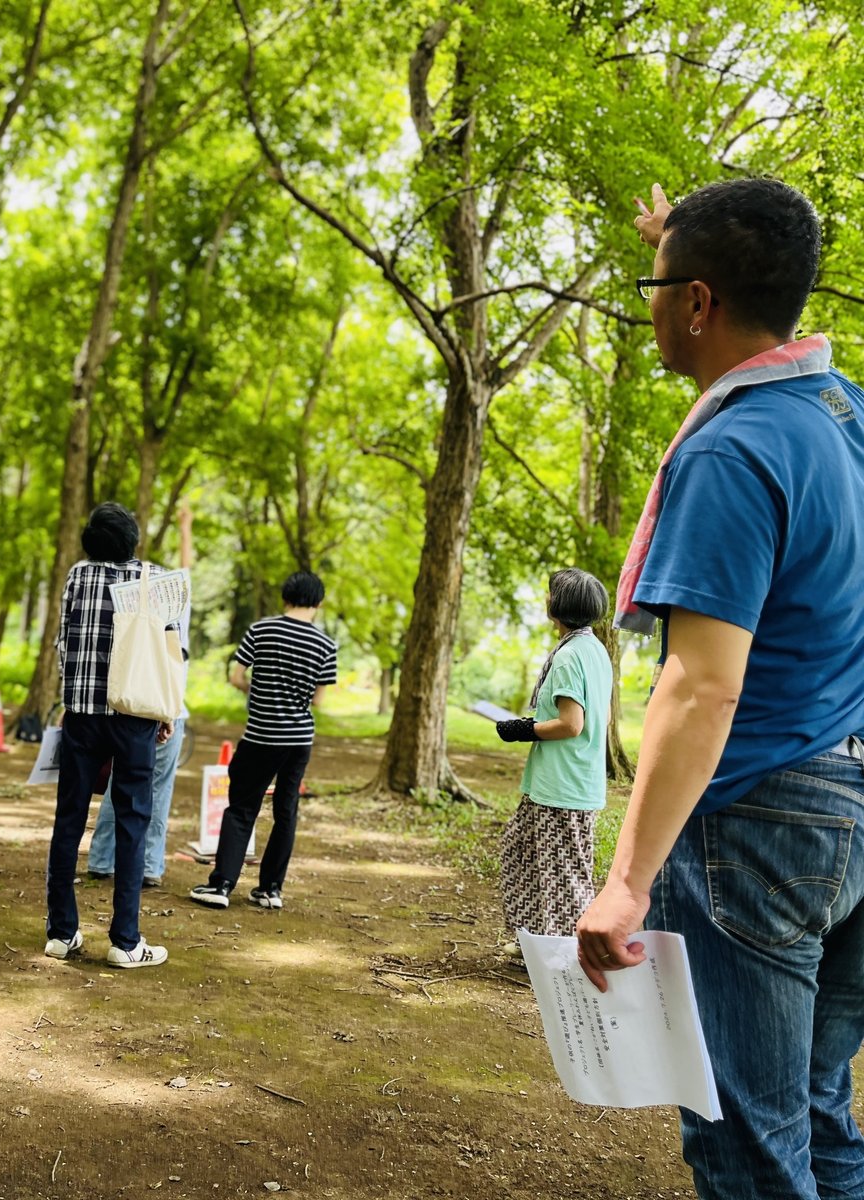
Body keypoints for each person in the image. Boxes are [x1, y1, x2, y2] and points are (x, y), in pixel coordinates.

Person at [576, 178, 864, 1200]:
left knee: (746, 1144)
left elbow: (702, 686)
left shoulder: (733, 452)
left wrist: (625, 879)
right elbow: (758, 297)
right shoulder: (838, 415)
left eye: (658, 284)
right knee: (821, 1115)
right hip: (855, 813)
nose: (648, 300)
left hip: (762, 826)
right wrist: (679, 242)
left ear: (697, 303)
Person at [46, 501, 175, 968]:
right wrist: (166, 711)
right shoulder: (155, 579)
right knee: (132, 821)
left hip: (82, 714)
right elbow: (168, 652)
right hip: (135, 714)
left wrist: (69, 699)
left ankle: (61, 933)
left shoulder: (78, 576)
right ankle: (125, 941)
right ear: (132, 539)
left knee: (69, 818)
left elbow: (64, 643)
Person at [190, 570, 337, 910]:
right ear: (318, 603)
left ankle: (222, 885)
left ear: (285, 598)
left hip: (261, 735)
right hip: (299, 740)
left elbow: (236, 676)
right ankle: (270, 890)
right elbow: (319, 700)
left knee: (242, 808)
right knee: (286, 811)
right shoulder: (325, 644)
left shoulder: (260, 630)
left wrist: (256, 691)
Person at [495, 569, 612, 945]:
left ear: (558, 607)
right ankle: (533, 946)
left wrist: (524, 729)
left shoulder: (570, 657)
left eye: (551, 595)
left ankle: (570, 960)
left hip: (564, 786)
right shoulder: (594, 649)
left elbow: (571, 723)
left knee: (566, 879)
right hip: (559, 782)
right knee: (520, 855)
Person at [87, 503, 193, 887]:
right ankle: (148, 866)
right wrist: (186, 529)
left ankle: (101, 859)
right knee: (158, 787)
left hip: (126, 698)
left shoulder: (128, 596)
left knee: (120, 783)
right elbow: (187, 571)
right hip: (165, 705)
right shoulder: (174, 597)